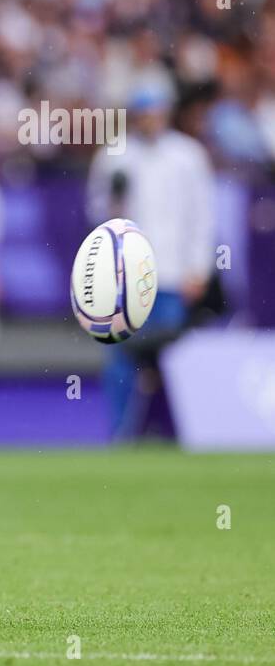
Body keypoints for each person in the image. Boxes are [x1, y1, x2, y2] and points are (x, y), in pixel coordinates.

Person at [87, 78, 215, 438]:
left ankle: (173, 432)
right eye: (144, 114)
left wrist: (198, 268)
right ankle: (121, 433)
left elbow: (201, 216)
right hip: (124, 278)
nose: (150, 120)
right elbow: (97, 215)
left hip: (172, 273)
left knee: (170, 361)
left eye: (156, 113)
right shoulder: (115, 155)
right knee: (121, 361)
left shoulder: (187, 155)